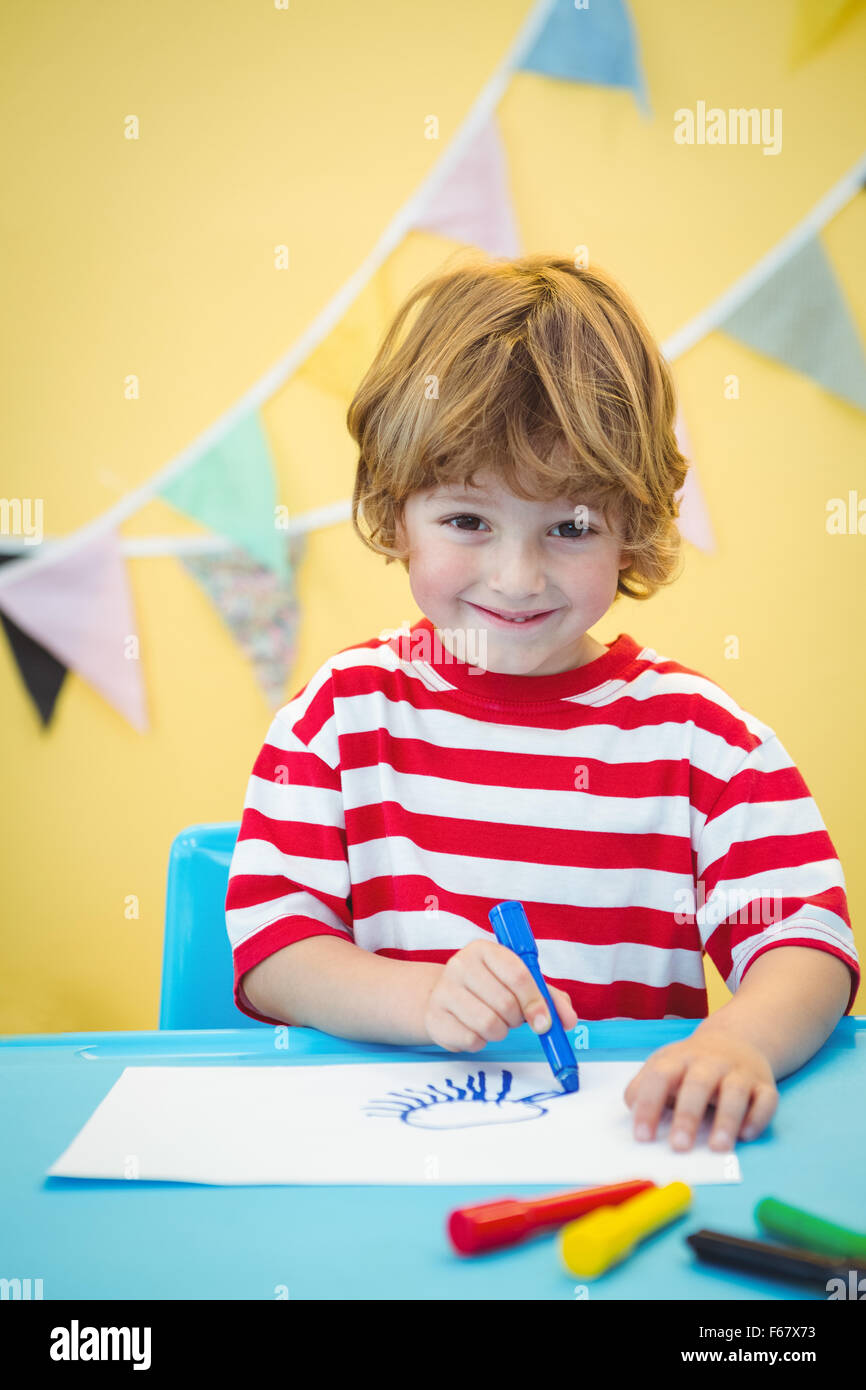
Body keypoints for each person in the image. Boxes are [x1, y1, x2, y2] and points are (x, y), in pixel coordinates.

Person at [225, 252, 859, 1154]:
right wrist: (422, 997)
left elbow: (804, 939)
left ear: (632, 529)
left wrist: (734, 1041)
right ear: (394, 510)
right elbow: (275, 947)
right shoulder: (338, 717)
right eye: (468, 520)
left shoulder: (702, 741)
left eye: (570, 527)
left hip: (623, 1153)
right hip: (385, 1153)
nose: (517, 578)